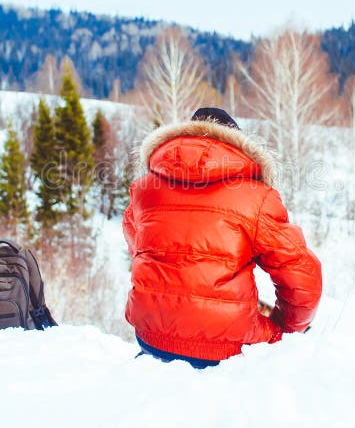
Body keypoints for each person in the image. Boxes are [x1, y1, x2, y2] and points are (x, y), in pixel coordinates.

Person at [123, 107, 322, 368]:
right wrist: (285, 328)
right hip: (224, 348)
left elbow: (136, 244)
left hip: (149, 336)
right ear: (236, 143)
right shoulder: (256, 197)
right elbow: (302, 276)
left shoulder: (144, 190)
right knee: (288, 343)